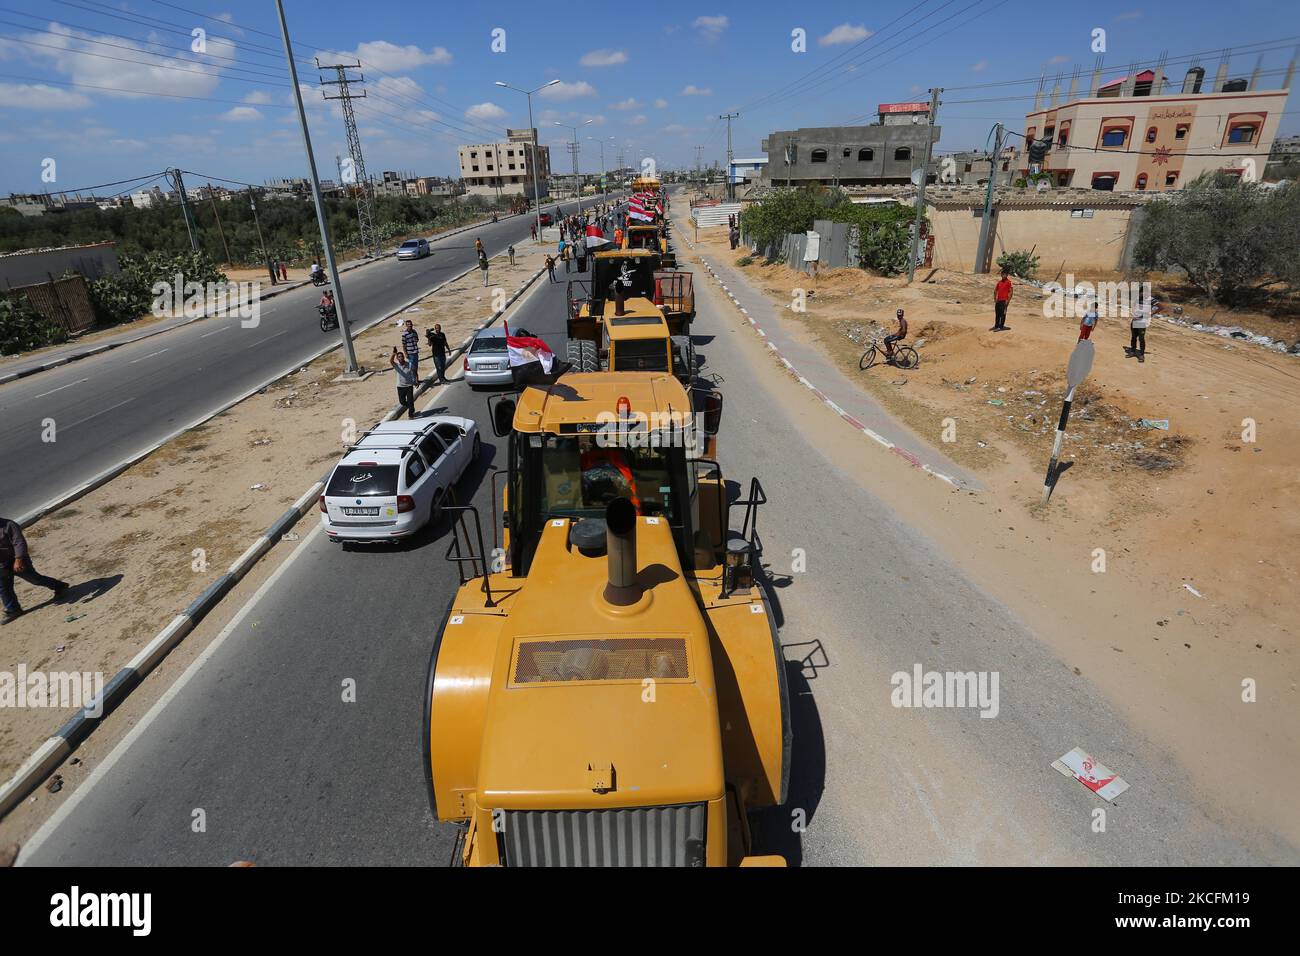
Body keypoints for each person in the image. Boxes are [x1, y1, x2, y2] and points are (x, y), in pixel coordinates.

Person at [1, 516, 68, 624]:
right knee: (4, 587)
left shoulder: (9, 525)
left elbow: (19, 542)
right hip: (2, 564)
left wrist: (18, 559)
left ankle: (59, 586)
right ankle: (13, 610)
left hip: (17, 559)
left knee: (35, 579)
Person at [391, 348, 418, 418]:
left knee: (410, 400)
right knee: (402, 402)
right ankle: (411, 407)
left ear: (403, 357)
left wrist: (416, 381)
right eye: (399, 357)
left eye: (402, 356)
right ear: (397, 358)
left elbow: (415, 372)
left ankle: (411, 414)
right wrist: (394, 354)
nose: (401, 358)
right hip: (400, 387)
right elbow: (391, 361)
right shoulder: (397, 366)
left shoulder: (409, 365)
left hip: (409, 386)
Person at [1129, 297, 1150, 362]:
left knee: (1141, 338)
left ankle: (1141, 354)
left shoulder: (1150, 300)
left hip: (1142, 322)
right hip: (1135, 320)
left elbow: (1160, 306)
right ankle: (1132, 351)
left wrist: (1150, 314)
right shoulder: (1137, 299)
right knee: (1133, 337)